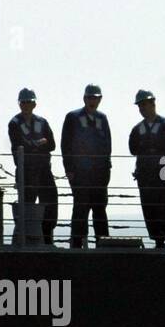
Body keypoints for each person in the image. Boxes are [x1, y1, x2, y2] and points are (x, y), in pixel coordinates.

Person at [127, 89, 165, 249]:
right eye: (140, 106)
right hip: (144, 174)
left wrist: (164, 171)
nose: (142, 108)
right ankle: (158, 240)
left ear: (153, 103)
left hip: (162, 171)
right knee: (149, 207)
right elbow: (132, 148)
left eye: (144, 104)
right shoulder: (137, 129)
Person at [61, 84, 112, 248]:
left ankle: (102, 242)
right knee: (81, 208)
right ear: (84, 99)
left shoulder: (102, 119)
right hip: (80, 172)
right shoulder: (73, 117)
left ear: (100, 99)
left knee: (99, 209)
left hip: (99, 173)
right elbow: (66, 145)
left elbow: (107, 145)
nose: (93, 101)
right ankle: (77, 243)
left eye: (96, 98)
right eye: (90, 98)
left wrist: (107, 169)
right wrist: (69, 169)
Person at [7, 88, 58, 245]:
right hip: (26, 171)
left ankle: (47, 240)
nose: (26, 105)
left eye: (29, 102)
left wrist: (32, 145)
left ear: (34, 104)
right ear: (19, 104)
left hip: (43, 170)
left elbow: (52, 144)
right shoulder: (14, 123)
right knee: (27, 206)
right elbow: (19, 144)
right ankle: (27, 241)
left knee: (50, 204)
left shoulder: (42, 122)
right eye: (23, 102)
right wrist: (38, 143)